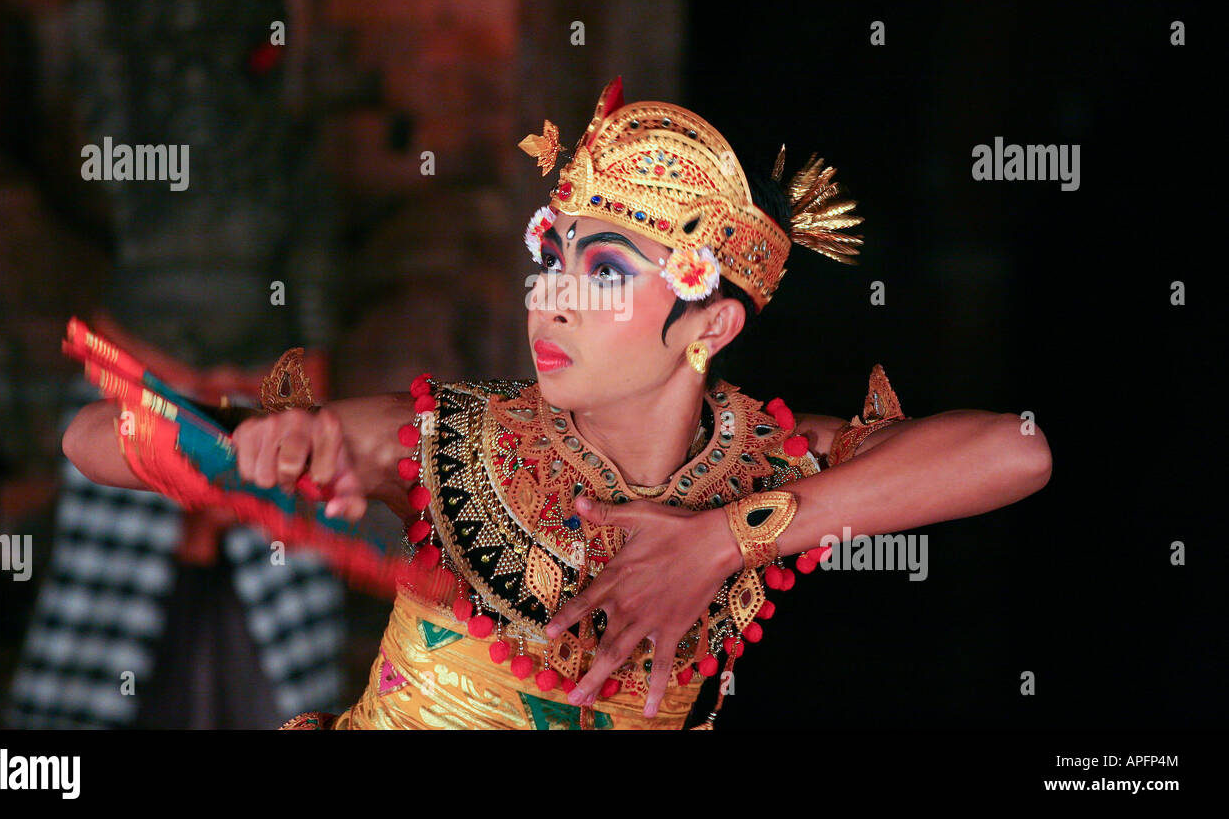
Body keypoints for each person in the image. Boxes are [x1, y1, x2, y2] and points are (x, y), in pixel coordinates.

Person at [62, 77, 1052, 730]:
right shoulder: (447, 442)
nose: (551, 295)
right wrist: (262, 442)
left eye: (605, 268)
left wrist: (726, 540)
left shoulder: (763, 464)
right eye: (550, 255)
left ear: (707, 326)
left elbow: (1017, 451)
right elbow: (92, 440)